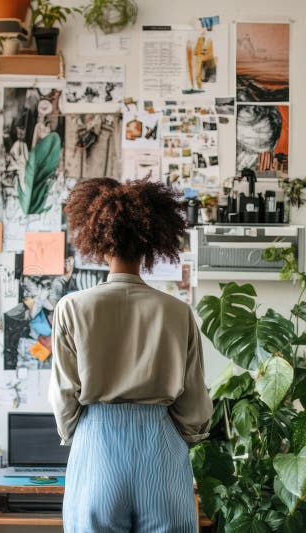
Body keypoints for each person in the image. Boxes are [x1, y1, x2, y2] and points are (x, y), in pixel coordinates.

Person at [49, 178, 212, 532]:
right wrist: (182, 435)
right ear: (150, 244)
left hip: (98, 446)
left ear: (101, 244)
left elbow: (64, 398)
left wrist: (82, 435)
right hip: (161, 446)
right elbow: (195, 401)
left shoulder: (72, 308)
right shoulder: (177, 311)